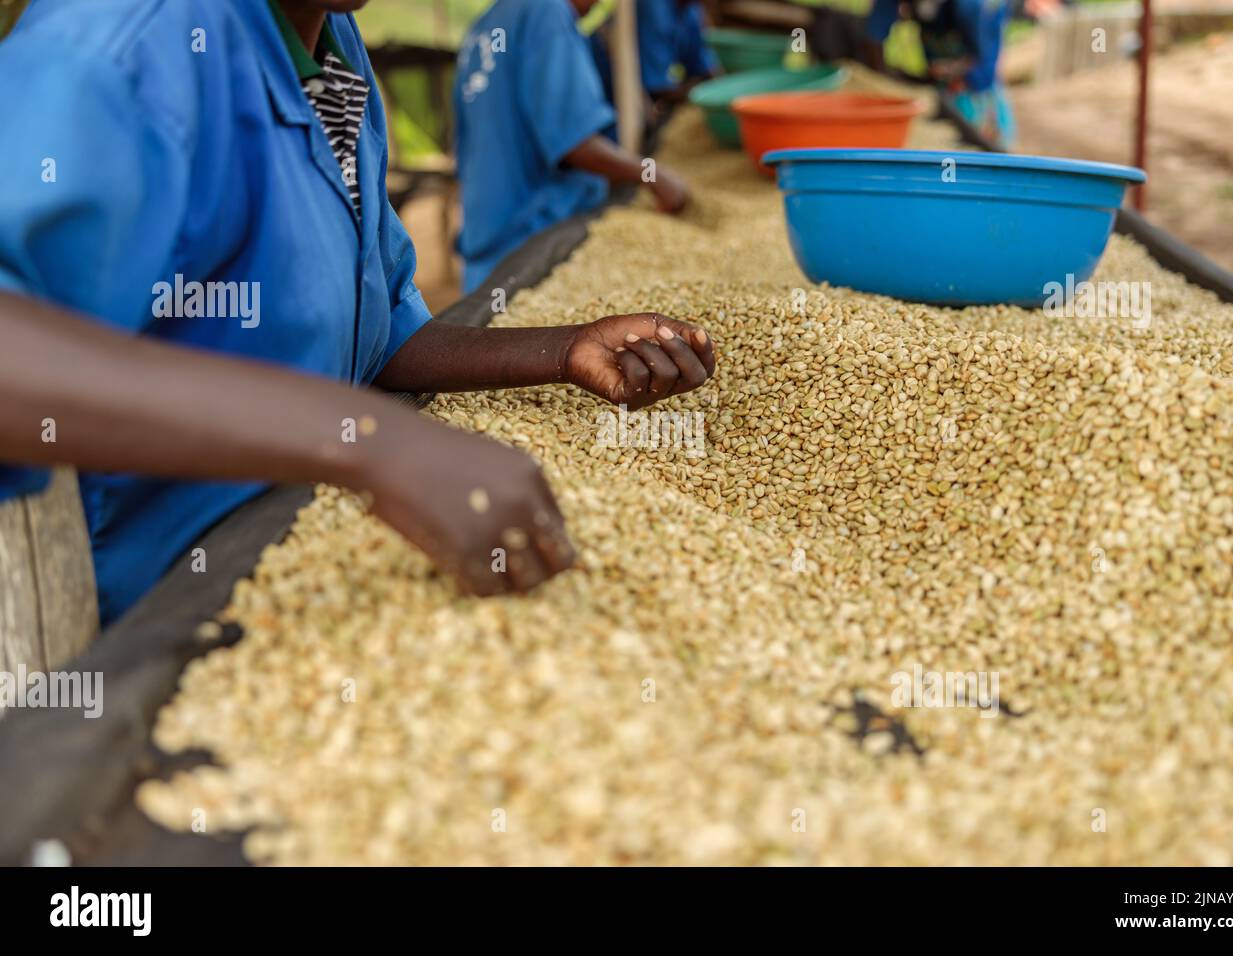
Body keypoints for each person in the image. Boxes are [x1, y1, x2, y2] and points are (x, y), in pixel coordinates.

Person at [0, 0, 716, 627]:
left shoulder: (333, 49)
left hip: (280, 547)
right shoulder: (121, 40)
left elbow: (371, 339)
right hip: (139, 608)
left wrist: (563, 352)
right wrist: (374, 446)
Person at [454, 0, 691, 293]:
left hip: (487, 232)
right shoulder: (547, 12)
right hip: (532, 237)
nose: (597, 6)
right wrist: (654, 176)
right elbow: (576, 143)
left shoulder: (490, 20)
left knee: (487, 323)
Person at [862, 0, 1016, 149]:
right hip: (942, 58)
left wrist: (949, 71)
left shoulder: (974, 7)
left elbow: (983, 63)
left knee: (978, 124)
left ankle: (993, 148)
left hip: (976, 68)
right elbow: (874, 39)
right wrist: (891, 78)